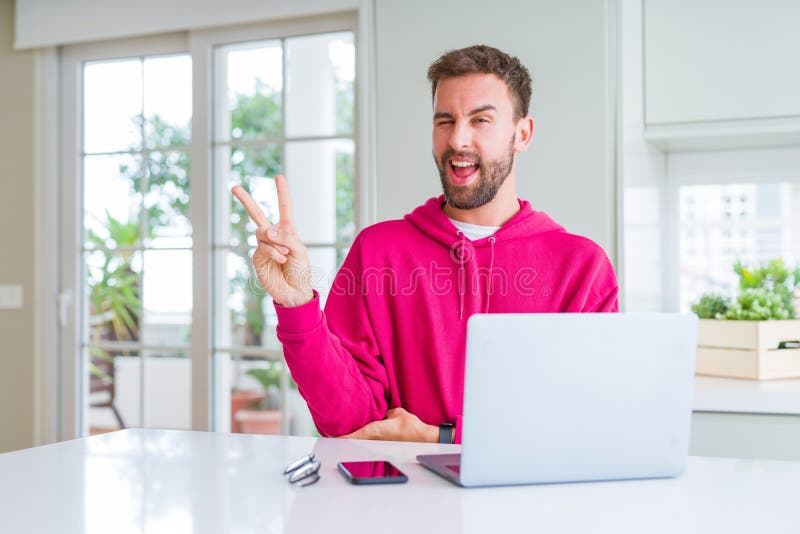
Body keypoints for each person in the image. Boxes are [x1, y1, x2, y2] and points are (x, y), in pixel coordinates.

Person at [232, 45, 618, 444]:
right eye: (445, 121)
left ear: (522, 134)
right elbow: (346, 423)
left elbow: (587, 427)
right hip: (399, 503)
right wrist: (298, 307)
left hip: (528, 505)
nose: (458, 140)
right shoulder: (378, 252)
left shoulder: (582, 267)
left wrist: (442, 438)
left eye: (481, 120)